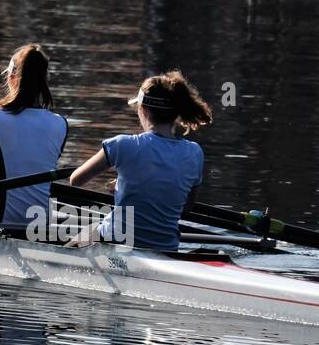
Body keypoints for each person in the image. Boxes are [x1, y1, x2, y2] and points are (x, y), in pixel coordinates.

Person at [67, 70, 212, 251]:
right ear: (176, 114)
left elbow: (75, 180)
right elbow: (185, 209)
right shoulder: (195, 153)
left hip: (117, 241)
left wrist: (124, 184)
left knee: (85, 233)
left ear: (142, 109)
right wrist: (131, 185)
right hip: (166, 247)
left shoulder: (123, 145)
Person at [0, 44, 68, 225]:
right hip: (39, 227)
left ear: (11, 77)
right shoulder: (60, 124)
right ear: (43, 81)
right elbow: (31, 160)